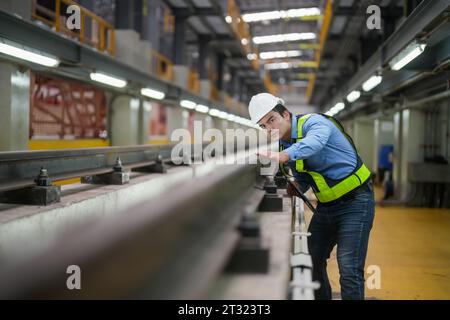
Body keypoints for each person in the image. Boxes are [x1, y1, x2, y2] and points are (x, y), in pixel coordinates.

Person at [249, 92, 375, 300]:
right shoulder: (286, 145)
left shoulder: (314, 123)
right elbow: (304, 177)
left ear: (286, 114)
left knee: (349, 268)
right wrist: (290, 189)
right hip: (327, 208)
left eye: (272, 120)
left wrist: (284, 155)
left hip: (356, 203)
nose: (270, 129)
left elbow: (315, 143)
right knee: (311, 259)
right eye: (263, 126)